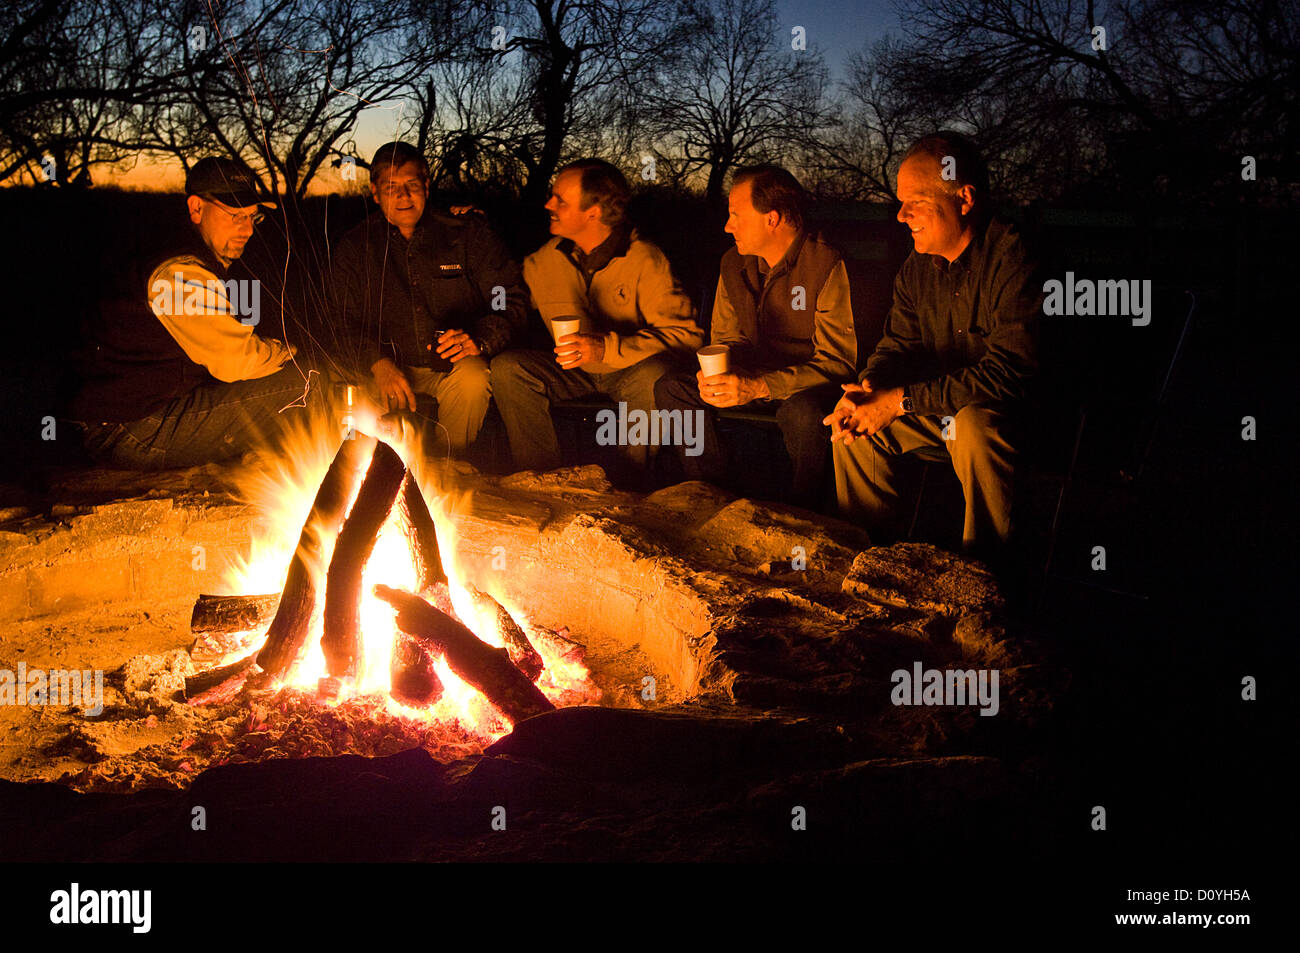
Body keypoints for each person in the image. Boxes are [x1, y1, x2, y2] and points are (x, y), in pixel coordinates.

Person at [824, 132, 1041, 554]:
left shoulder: (1017, 259)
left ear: (964, 199)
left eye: (916, 201)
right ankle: (870, 564)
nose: (902, 216)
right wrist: (870, 390)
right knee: (857, 429)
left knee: (975, 425)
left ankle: (986, 579)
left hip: (1022, 416)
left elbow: (1009, 373)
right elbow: (896, 345)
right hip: (943, 410)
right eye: (900, 202)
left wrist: (901, 401)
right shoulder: (917, 267)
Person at [70, 157, 322, 469]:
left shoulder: (181, 250)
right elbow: (235, 361)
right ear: (196, 208)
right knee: (310, 383)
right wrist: (291, 351)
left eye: (253, 218)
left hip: (129, 413)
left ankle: (270, 462)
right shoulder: (181, 272)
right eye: (234, 216)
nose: (246, 229)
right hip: (128, 428)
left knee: (280, 381)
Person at [654, 164, 857, 508]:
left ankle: (805, 513)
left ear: (772, 219)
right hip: (750, 378)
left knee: (806, 414)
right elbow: (727, 336)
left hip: (805, 386)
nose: (727, 225)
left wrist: (761, 385)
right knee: (673, 388)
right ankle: (711, 496)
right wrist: (719, 375)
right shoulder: (735, 263)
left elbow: (838, 363)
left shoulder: (826, 263)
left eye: (736, 215)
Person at [491, 158, 702, 478]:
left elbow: (686, 336)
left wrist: (609, 348)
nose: (549, 204)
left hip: (632, 370)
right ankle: (538, 478)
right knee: (510, 368)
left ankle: (631, 481)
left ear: (594, 211)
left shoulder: (644, 258)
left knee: (655, 376)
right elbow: (508, 296)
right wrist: (470, 228)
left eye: (560, 200)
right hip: (574, 369)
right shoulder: (544, 260)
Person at [331, 141, 528, 456]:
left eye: (411, 185)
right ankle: (374, 471)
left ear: (426, 185)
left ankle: (448, 467)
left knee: (474, 377)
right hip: (384, 368)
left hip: (451, 369)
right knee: (343, 389)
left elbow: (509, 299)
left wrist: (481, 338)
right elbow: (341, 320)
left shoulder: (467, 234)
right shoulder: (356, 247)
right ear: (375, 192)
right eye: (391, 187)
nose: (403, 196)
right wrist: (377, 363)